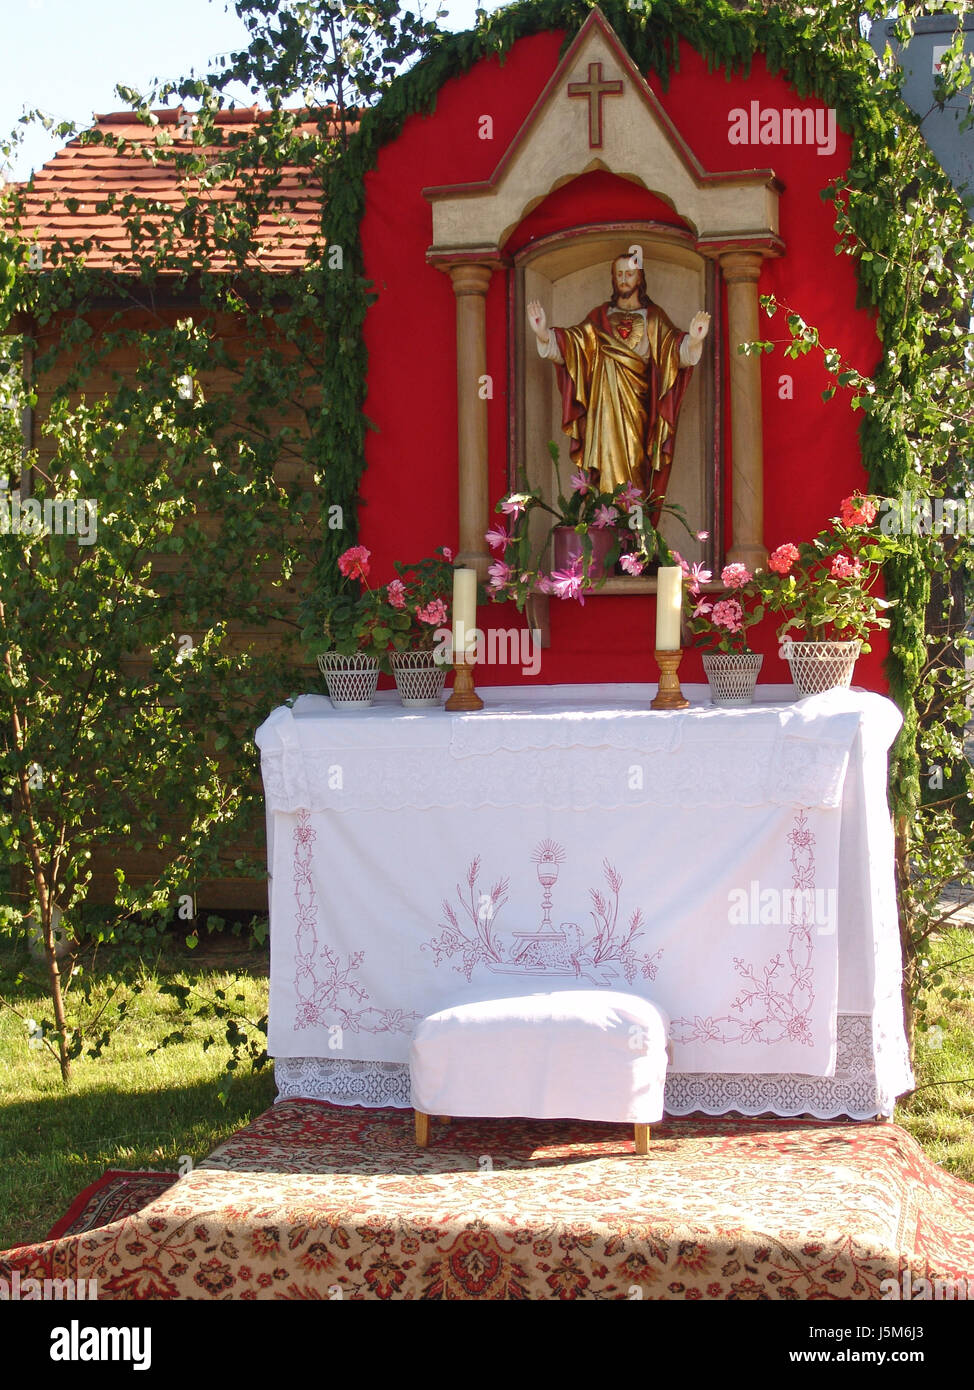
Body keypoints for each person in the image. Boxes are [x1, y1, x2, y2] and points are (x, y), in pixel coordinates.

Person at [527, 253, 710, 511]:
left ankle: (635, 537)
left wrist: (693, 342)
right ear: (613, 278)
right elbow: (573, 347)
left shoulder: (654, 318)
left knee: (636, 462)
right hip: (601, 410)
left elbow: (672, 353)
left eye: (629, 274)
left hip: (637, 407)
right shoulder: (599, 318)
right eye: (619, 274)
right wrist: (545, 335)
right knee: (602, 465)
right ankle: (603, 525)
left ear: (640, 278)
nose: (624, 280)